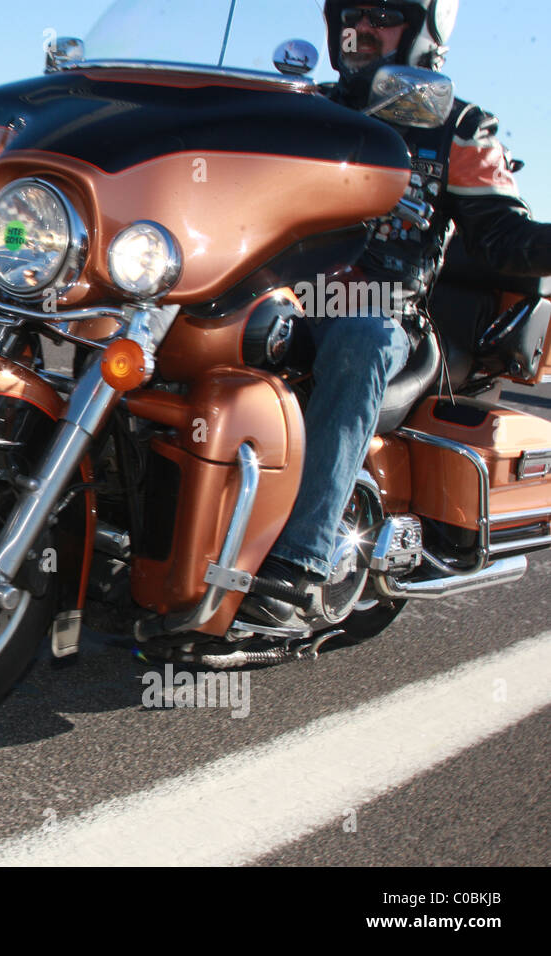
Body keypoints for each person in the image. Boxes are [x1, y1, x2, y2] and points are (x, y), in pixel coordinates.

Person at [244, 0, 551, 623]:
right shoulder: (300, 108)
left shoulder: (459, 127)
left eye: (384, 14)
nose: (362, 28)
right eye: (351, 12)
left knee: (360, 330)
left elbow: (503, 240)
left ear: (423, 32)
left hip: (381, 305)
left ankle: (301, 561)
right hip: (273, 292)